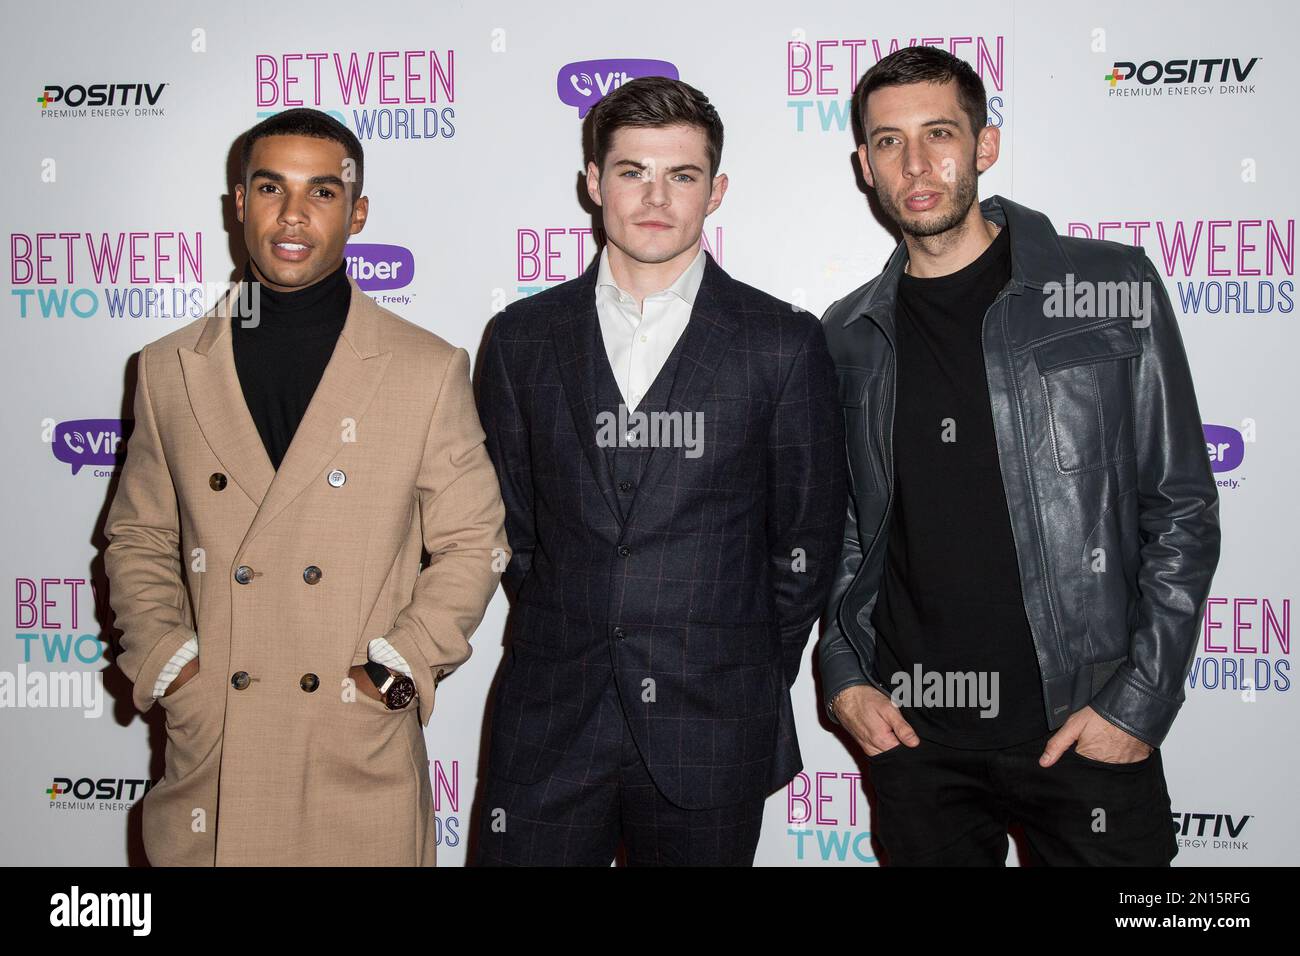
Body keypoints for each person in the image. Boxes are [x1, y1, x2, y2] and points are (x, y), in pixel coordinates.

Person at [818, 47, 1220, 866]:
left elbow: (1181, 505)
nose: (918, 164)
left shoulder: (1109, 286)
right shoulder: (848, 333)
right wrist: (843, 675)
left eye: (939, 133)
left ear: (985, 145)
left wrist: (1136, 705)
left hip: (1082, 727)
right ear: (864, 165)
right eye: (889, 142)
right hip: (915, 742)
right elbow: (845, 529)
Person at [104, 108, 507, 866]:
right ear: (238, 202)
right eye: (270, 188)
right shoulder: (167, 368)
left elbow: (474, 542)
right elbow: (139, 536)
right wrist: (169, 663)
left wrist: (394, 678)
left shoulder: (424, 369)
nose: (292, 215)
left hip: (353, 758)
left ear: (357, 212)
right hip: (217, 756)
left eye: (321, 193)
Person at [474, 77, 846, 865]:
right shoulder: (520, 339)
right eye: (631, 171)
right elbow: (512, 527)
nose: (655, 196)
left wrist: (736, 667)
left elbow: (804, 543)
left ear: (715, 191)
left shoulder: (781, 342)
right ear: (592, 182)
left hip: (712, 721)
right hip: (550, 719)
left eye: (680, 176)